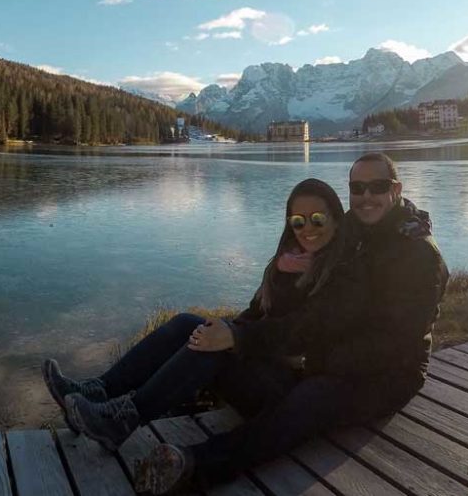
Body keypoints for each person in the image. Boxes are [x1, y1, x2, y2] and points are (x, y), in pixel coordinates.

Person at [135, 152, 449, 495]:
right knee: (194, 328)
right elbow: (300, 312)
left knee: (312, 396)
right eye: (357, 188)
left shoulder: (418, 255)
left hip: (389, 376)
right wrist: (280, 279)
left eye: (377, 186)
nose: (366, 196)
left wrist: (314, 361)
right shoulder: (350, 230)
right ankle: (106, 402)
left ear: (396, 188)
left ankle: (199, 465)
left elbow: (397, 344)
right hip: (326, 356)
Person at [42, 177, 350, 452]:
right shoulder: (289, 262)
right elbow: (256, 315)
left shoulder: (342, 273)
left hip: (289, 393)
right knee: (187, 324)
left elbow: (299, 331)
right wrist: (229, 326)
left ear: (336, 220)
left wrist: (234, 337)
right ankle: (98, 392)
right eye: (298, 221)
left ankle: (121, 421)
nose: (307, 228)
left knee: (215, 347)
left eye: (317, 219)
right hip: (263, 365)